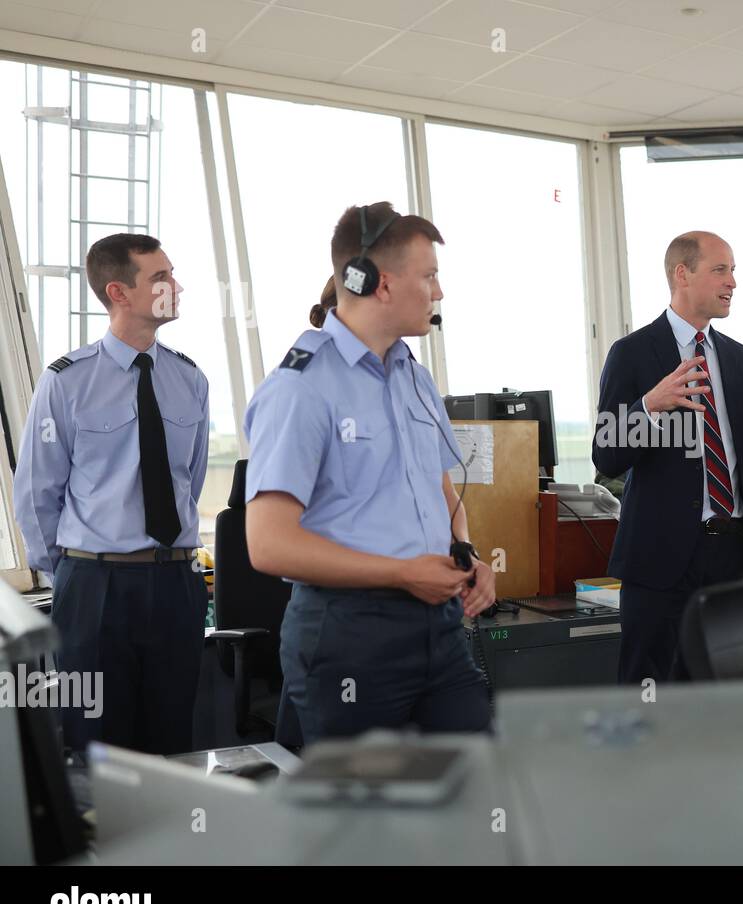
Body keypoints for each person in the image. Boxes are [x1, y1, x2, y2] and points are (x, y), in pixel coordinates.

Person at [243, 202, 492, 744]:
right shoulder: (300, 388)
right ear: (379, 283)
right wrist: (402, 573)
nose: (439, 292)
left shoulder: (414, 376)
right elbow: (268, 545)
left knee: (477, 790)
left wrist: (466, 554)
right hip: (349, 636)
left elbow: (442, 489)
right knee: (363, 820)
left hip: (439, 631)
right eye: (429, 277)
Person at [14, 232, 210, 754]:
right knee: (94, 746)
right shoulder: (66, 381)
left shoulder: (190, 379)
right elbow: (38, 492)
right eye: (162, 277)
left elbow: (188, 477)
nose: (177, 286)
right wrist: (76, 573)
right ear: (120, 292)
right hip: (94, 586)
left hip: (176, 583)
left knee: (172, 745)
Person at [592, 230, 743, 683]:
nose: (732, 282)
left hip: (726, 551)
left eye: (733, 271)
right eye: (720, 270)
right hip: (658, 555)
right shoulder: (632, 353)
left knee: (715, 688)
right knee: (649, 686)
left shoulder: (738, 358)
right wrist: (647, 407)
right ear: (682, 274)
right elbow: (606, 456)